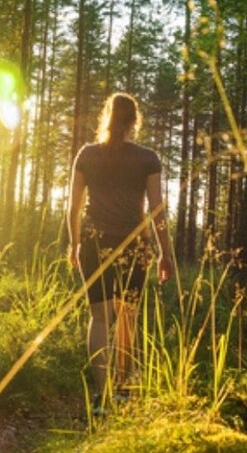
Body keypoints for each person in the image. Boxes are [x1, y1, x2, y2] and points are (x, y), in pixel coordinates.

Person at [67, 92, 174, 412]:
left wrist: (74, 244)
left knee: (99, 318)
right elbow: (157, 210)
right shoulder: (147, 158)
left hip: (93, 243)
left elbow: (72, 208)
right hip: (134, 245)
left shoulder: (86, 154)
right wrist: (164, 253)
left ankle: (102, 396)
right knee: (128, 316)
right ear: (133, 122)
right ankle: (123, 391)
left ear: (107, 118)